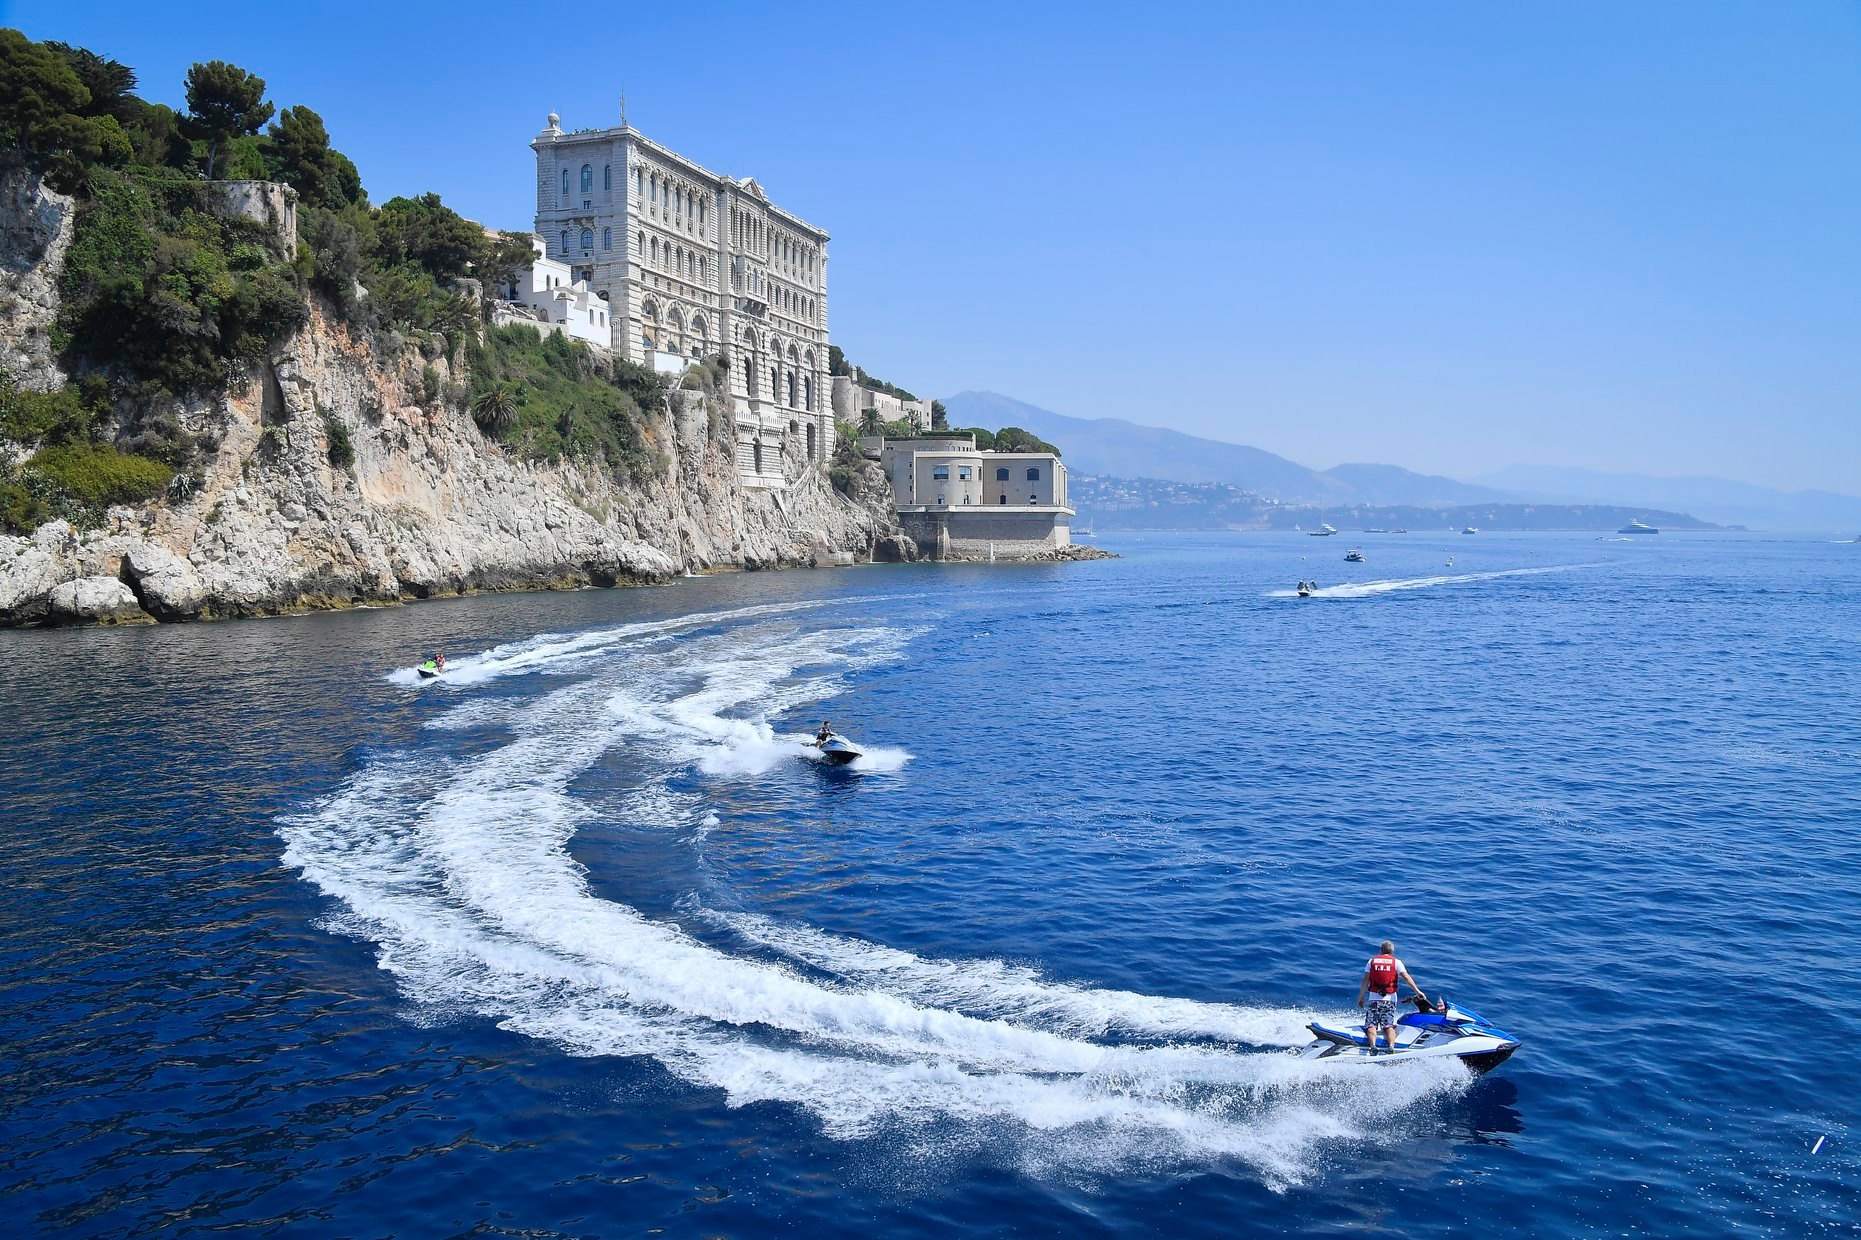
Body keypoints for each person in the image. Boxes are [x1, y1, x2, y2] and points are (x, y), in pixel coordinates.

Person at [1357, 940, 1427, 1054]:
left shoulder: (1371, 961)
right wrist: (1417, 991)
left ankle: (1373, 1046)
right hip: (1390, 999)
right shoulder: (1397, 962)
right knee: (1388, 1025)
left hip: (1374, 998)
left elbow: (1365, 980)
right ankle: (1391, 1047)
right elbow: (1406, 978)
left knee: (1371, 1025)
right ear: (1392, 951)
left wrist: (1361, 997)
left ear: (1381, 950)